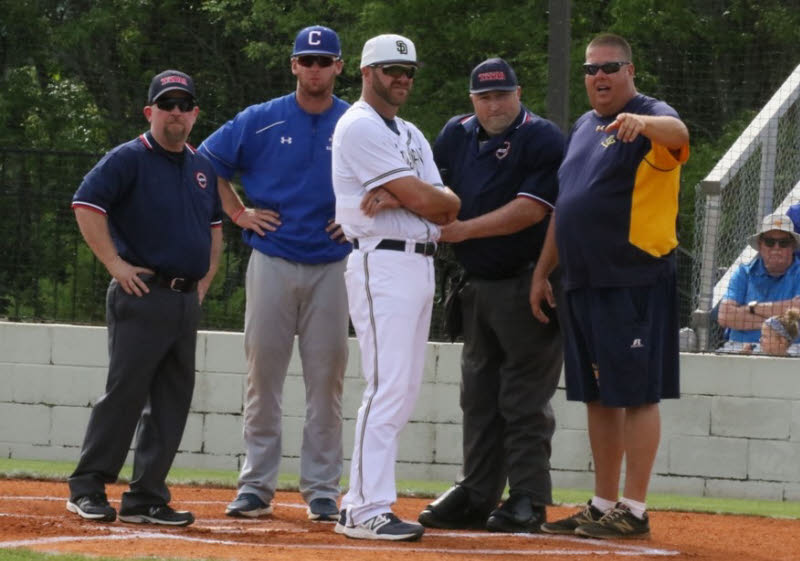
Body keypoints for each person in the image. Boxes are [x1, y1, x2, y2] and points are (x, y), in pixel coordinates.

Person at [529, 33, 690, 539]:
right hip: (582, 279)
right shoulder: (583, 126)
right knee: (598, 396)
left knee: (638, 395)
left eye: (610, 67)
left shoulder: (648, 116)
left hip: (633, 277)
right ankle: (602, 504)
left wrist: (644, 123)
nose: (599, 76)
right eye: (590, 69)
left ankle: (635, 509)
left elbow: (679, 131)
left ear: (630, 70)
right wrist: (541, 270)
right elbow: (566, 202)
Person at [197, 25, 350, 522]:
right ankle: (256, 485)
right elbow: (205, 163)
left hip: (333, 264)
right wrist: (239, 213)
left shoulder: (356, 121)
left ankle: (323, 488)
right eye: (306, 61)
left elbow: (397, 179)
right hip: (273, 259)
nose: (315, 69)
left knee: (327, 381)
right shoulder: (259, 119)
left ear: (339, 67)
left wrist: (362, 217)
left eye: (324, 61)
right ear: (293, 66)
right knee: (262, 378)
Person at [67, 70, 223, 527]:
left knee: (173, 399)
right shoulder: (128, 158)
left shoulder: (201, 166)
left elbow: (214, 228)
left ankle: (146, 497)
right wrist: (115, 265)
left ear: (194, 114)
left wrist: (204, 281)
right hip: (141, 295)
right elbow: (86, 205)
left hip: (182, 300)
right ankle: (88, 488)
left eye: (183, 105)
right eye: (166, 104)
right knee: (125, 394)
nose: (175, 112)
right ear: (149, 111)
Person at [417, 58, 564, 533]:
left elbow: (530, 211)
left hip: (527, 281)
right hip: (475, 284)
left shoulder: (542, 137)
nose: (494, 104)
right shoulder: (455, 134)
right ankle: (477, 491)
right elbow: (429, 187)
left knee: (523, 398)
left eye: (503, 94)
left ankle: (528, 498)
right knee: (477, 395)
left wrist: (460, 232)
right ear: (472, 99)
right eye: (485, 96)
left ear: (518, 93)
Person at [330, 33, 460, 541]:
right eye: (390, 70)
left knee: (401, 390)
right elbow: (426, 198)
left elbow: (450, 207)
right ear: (366, 73)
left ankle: (364, 503)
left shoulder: (409, 130)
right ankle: (363, 508)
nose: (401, 78)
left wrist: (412, 196)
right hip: (380, 260)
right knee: (386, 387)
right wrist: (418, 197)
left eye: (407, 71)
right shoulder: (359, 125)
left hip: (419, 263)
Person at [718, 213, 800, 349]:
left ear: (792, 246)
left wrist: (752, 308)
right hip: (740, 347)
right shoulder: (743, 273)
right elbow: (725, 316)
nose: (776, 248)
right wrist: (780, 326)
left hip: (791, 350)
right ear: (760, 245)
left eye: (783, 243)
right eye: (770, 242)